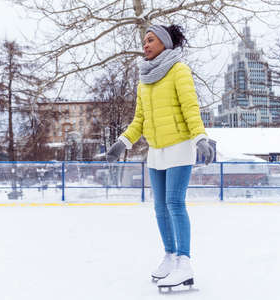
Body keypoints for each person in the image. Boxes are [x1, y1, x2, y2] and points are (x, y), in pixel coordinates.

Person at [106, 24, 215, 289]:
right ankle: (169, 256)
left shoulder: (179, 70)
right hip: (156, 150)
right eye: (144, 41)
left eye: (151, 40)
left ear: (165, 43)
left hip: (179, 145)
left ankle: (184, 262)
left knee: (175, 203)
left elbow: (190, 108)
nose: (145, 44)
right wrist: (123, 142)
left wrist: (200, 138)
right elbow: (139, 120)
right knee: (159, 207)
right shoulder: (144, 79)